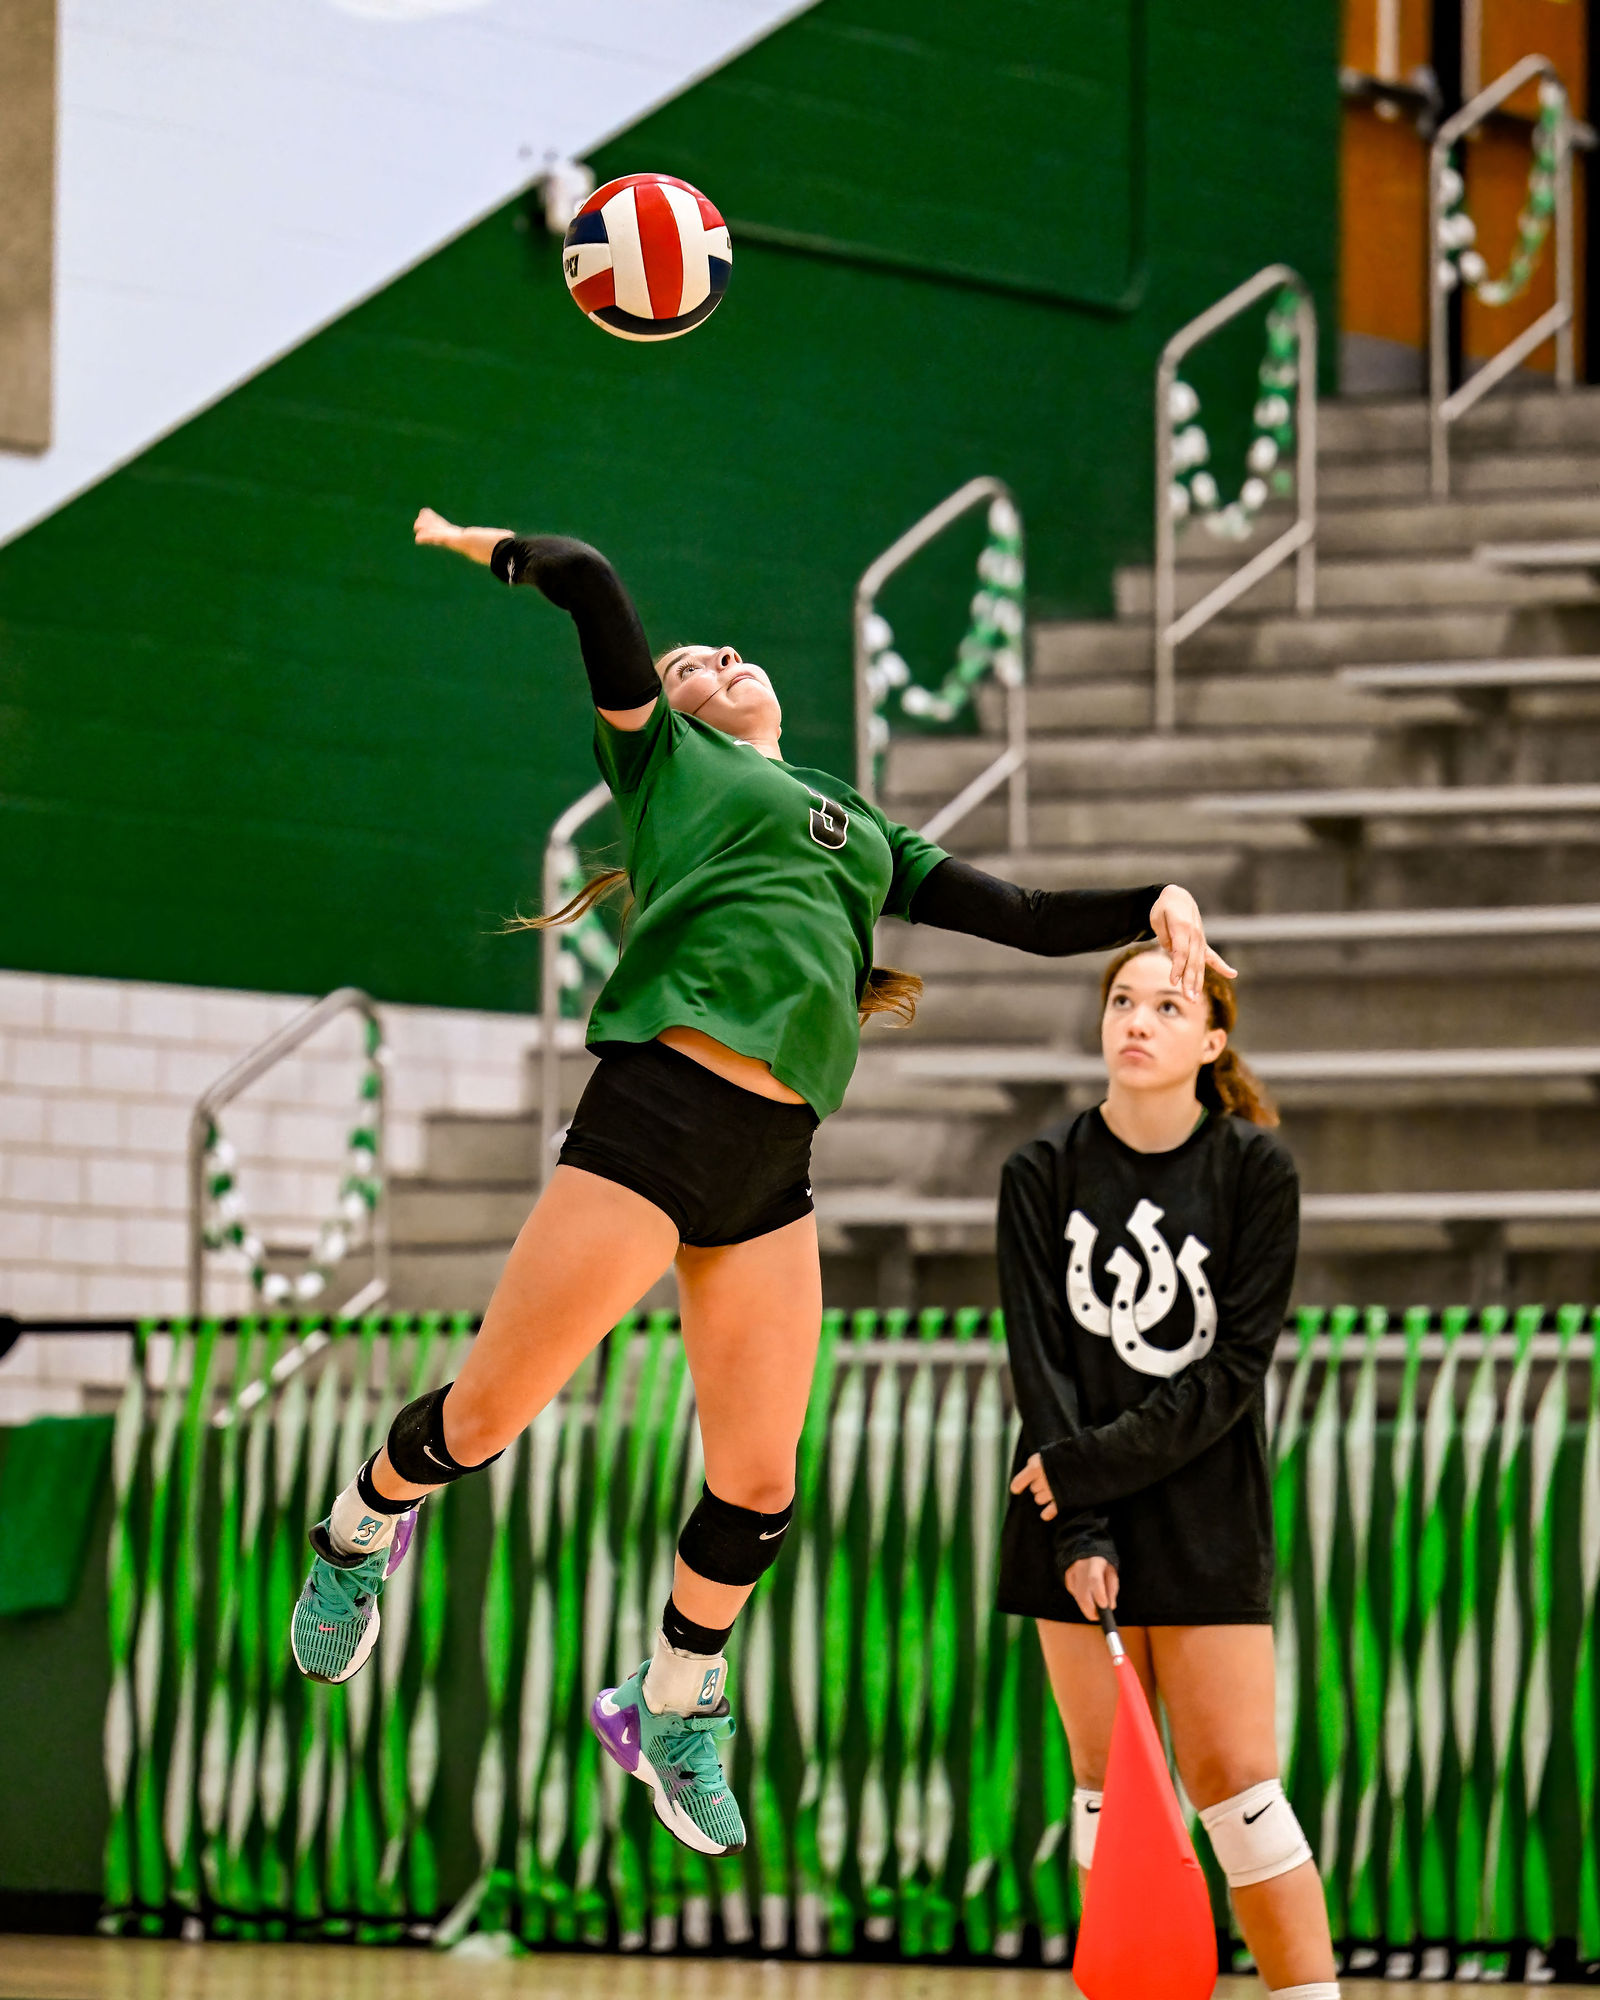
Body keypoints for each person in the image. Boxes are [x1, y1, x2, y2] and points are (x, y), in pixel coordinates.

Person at [290, 508, 1233, 1863]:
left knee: (757, 1483)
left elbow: (1025, 919)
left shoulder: (861, 828)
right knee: (487, 1416)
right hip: (651, 1122)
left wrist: (1156, 901)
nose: (715, 657)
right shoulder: (663, 763)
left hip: (770, 1165)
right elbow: (590, 577)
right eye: (687, 664)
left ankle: (671, 1703)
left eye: (722, 653)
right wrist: (467, 541)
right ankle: (358, 1527)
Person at [999, 941, 1338, 2000]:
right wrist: (1080, 1528)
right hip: (1066, 1516)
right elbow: (1040, 1369)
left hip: (1203, 1505)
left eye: (1167, 1006)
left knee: (1240, 1791)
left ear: (1212, 1039)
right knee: (1111, 1791)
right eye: (1121, 1001)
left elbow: (1233, 1369)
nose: (1137, 1021)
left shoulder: (1255, 1170)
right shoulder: (1038, 1171)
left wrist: (1083, 1471)